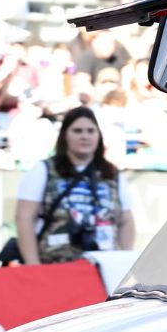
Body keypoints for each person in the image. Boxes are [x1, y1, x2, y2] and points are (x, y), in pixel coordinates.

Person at [14, 106, 135, 263]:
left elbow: (126, 220)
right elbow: (24, 218)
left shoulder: (113, 174)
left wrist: (123, 263)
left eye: (91, 131)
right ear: (65, 136)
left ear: (99, 136)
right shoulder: (43, 170)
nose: (85, 136)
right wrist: (33, 266)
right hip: (56, 264)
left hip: (104, 265)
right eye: (77, 131)